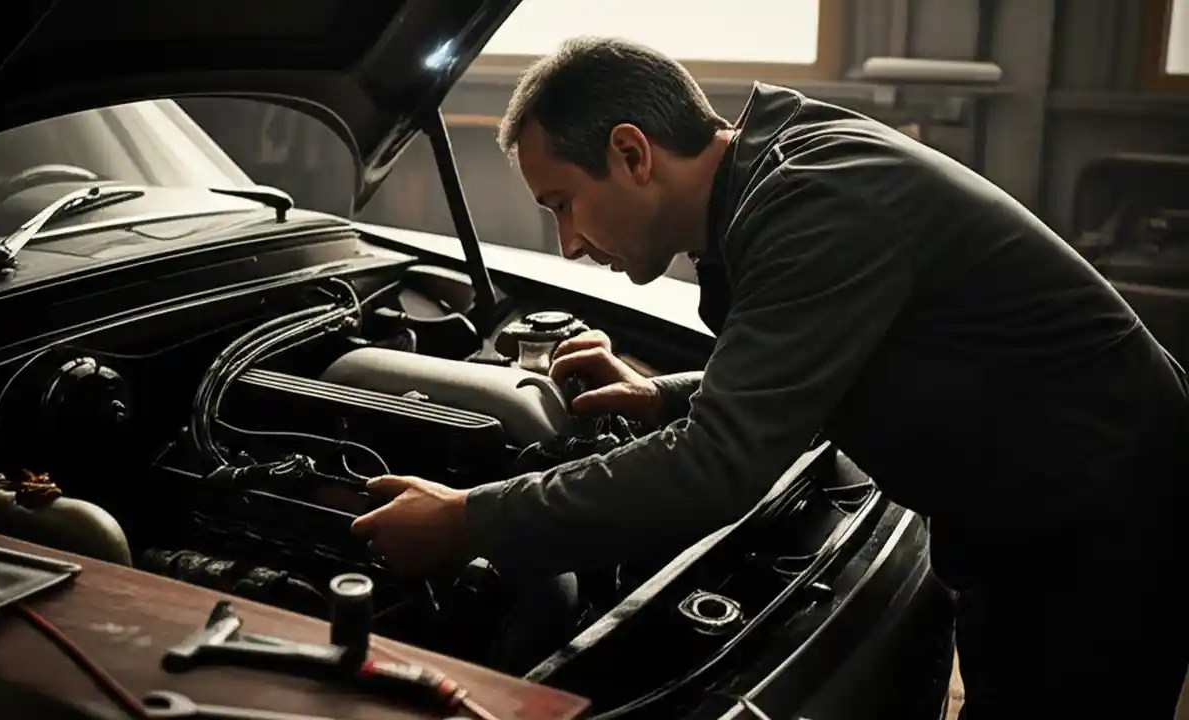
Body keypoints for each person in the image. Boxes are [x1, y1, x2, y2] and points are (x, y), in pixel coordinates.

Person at [350, 37, 1189, 718]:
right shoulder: (781, 175)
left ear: (633, 153)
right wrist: (664, 394)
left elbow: (718, 469)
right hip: (1032, 506)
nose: (566, 244)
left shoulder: (815, 205)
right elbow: (825, 355)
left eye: (561, 203)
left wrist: (470, 520)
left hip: (1097, 522)